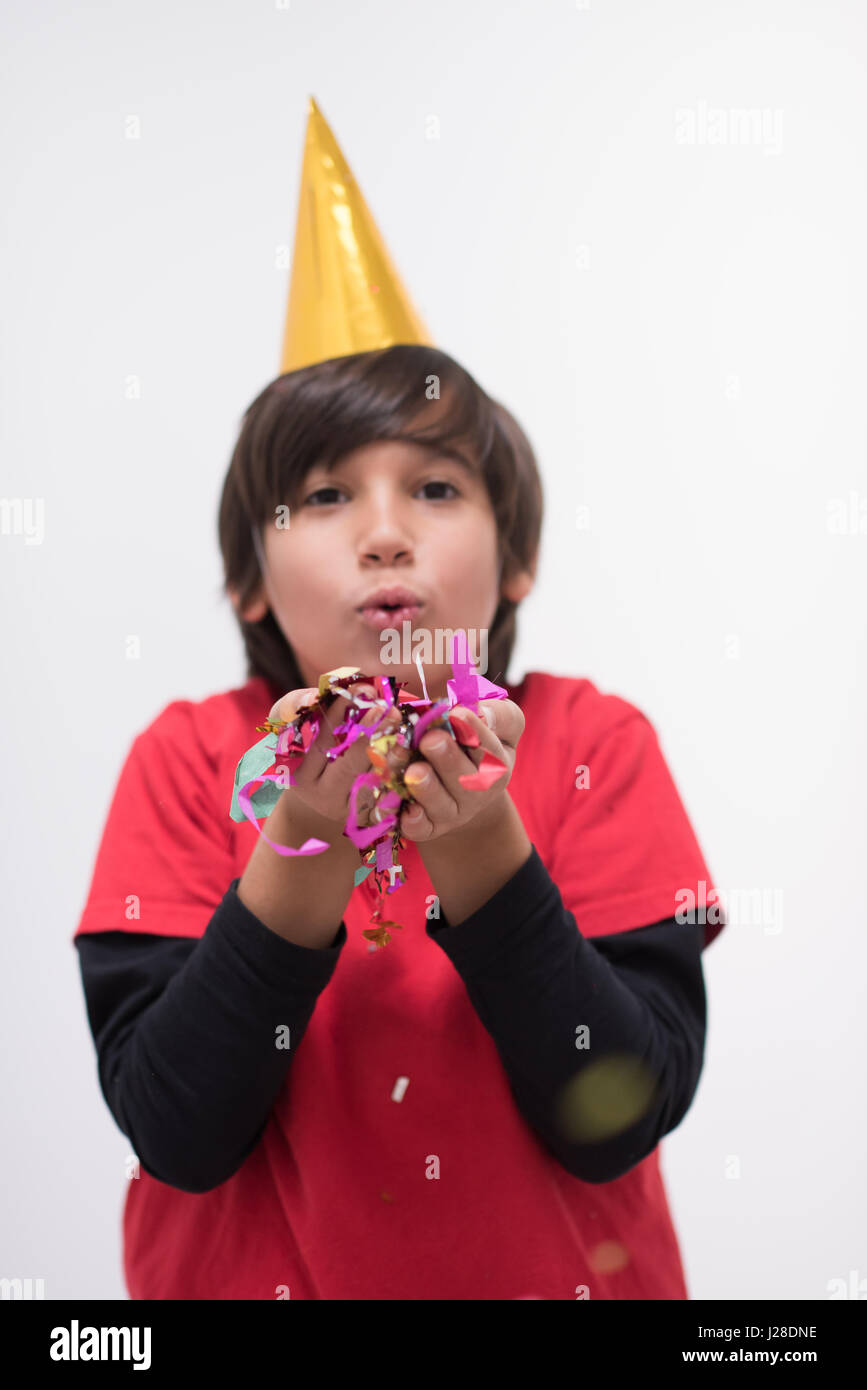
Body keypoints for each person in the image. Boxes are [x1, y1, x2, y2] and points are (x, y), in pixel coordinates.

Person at [73, 100, 726, 1301]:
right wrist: (306, 840)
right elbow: (178, 1129)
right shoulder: (181, 759)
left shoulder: (599, 745)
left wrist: (484, 844)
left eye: (433, 486)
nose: (383, 535)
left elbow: (620, 1111)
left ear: (516, 557)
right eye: (323, 497)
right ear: (247, 579)